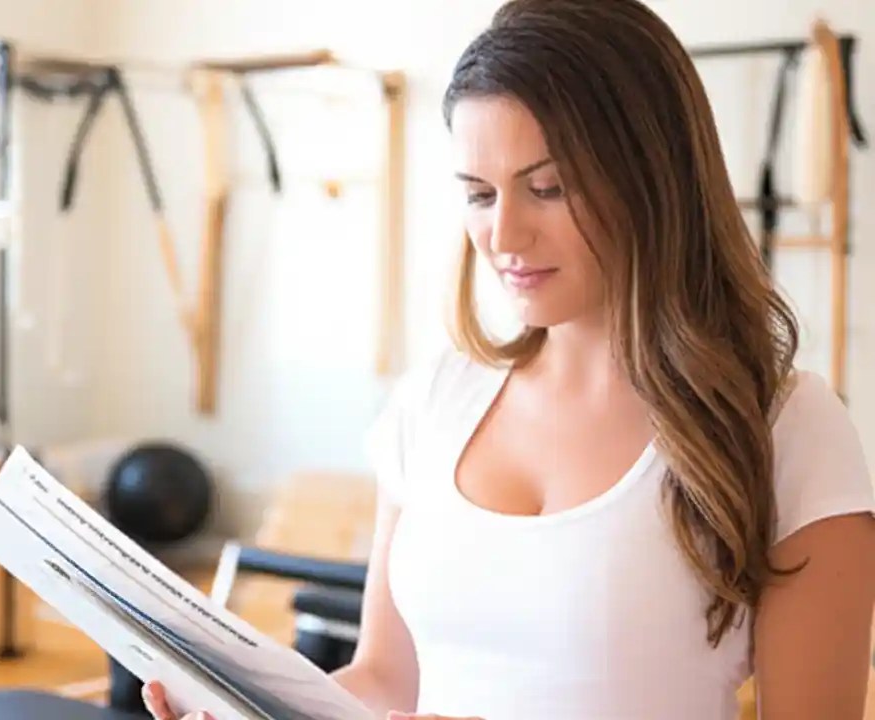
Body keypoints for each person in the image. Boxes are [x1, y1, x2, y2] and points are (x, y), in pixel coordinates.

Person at [141, 0, 875, 717]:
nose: (504, 235)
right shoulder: (434, 399)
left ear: (654, 179)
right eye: (479, 194)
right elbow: (387, 683)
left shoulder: (786, 427)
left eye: (547, 189)